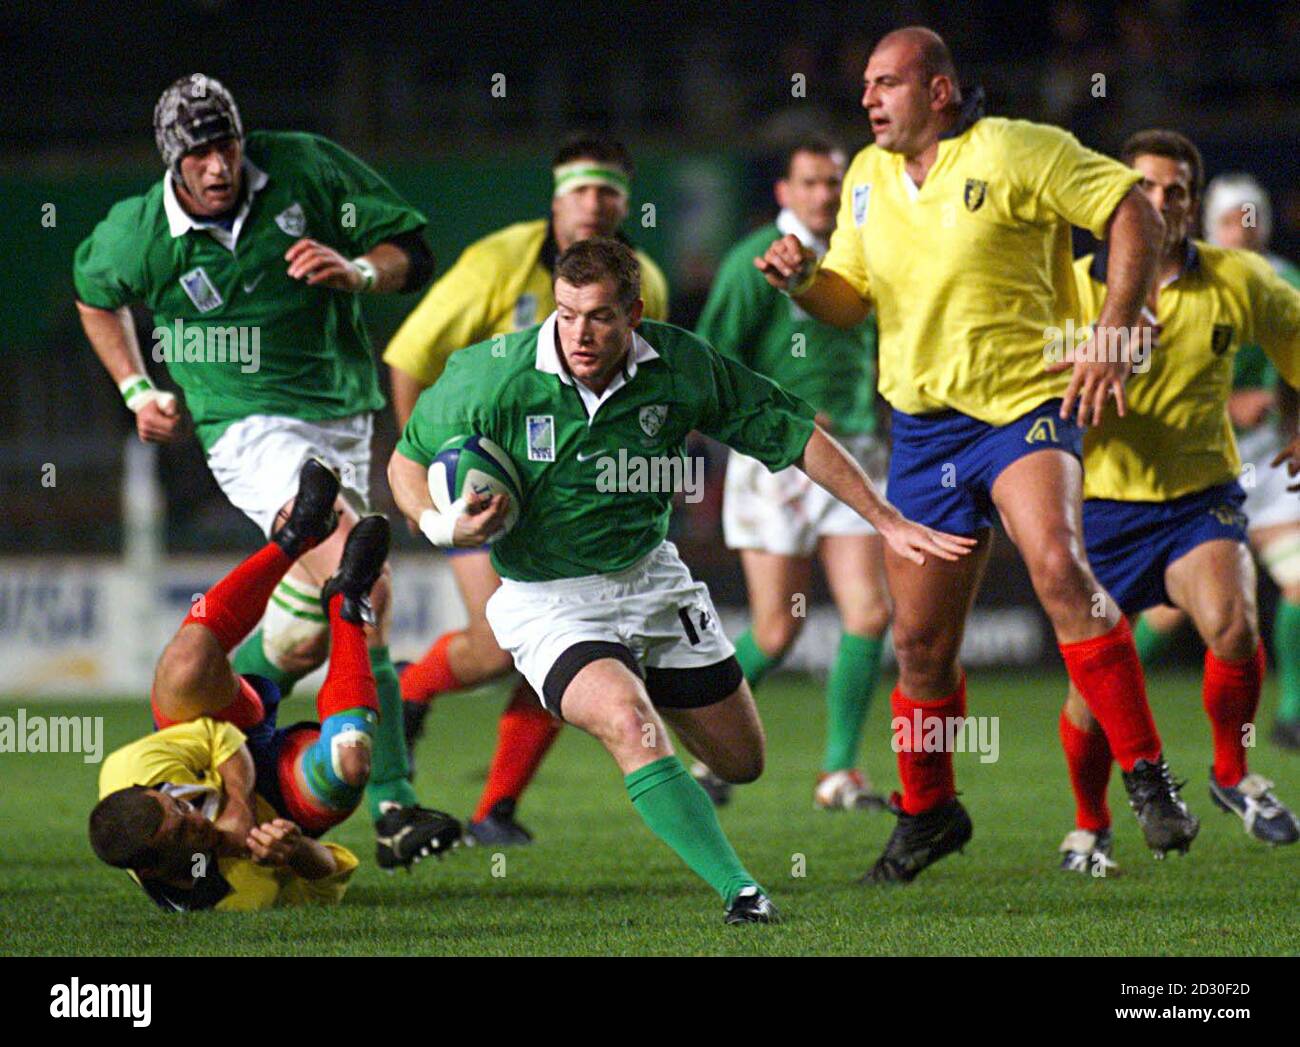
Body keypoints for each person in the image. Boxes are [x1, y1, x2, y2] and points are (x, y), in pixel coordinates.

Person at [387, 238, 973, 921]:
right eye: (568, 313)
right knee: (629, 721)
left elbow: (795, 431)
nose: (580, 332)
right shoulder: (490, 375)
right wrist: (440, 526)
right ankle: (742, 891)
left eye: (601, 316)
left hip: (653, 582)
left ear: (634, 314)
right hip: (550, 601)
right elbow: (408, 462)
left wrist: (884, 517)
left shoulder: (681, 363)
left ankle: (637, 692)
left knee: (742, 760)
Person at [756, 26, 1197, 882]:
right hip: (923, 430)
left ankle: (1146, 773)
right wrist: (805, 281)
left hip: (1023, 407)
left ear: (940, 91)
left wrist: (1111, 329)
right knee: (919, 644)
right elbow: (851, 302)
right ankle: (929, 812)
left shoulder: (1018, 148)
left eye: (887, 82)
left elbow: (1130, 208)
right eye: (866, 85)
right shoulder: (867, 178)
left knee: (1061, 567)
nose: (869, 98)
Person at [73, 75, 453, 868]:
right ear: (171, 160)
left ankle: (222, 707)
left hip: (343, 406)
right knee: (361, 578)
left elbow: (412, 252)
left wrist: (357, 272)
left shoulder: (307, 167)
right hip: (243, 421)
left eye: (227, 144)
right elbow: (93, 295)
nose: (218, 165)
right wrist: (136, 385)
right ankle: (392, 803)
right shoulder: (137, 232)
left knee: (309, 631)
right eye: (199, 152)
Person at [386, 134, 670, 844]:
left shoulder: (647, 285)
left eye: (607, 190)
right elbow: (410, 355)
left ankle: (494, 810)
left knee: (571, 646)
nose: (593, 203)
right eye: (579, 189)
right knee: (497, 648)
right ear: (555, 198)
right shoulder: (497, 261)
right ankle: (406, 693)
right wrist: (437, 471)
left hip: (579, 505)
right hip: (488, 496)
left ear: (626, 202)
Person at [1057, 132, 1300, 873]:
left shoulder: (1238, 277)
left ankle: (1232, 772)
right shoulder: (1067, 285)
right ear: (1115, 199)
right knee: (1090, 699)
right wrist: (1084, 367)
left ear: (1193, 204)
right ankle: (1090, 825)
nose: (1161, 203)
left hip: (1201, 498)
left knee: (1232, 624)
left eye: (1177, 191)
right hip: (1100, 507)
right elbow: (1027, 386)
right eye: (1146, 188)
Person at [90, 461, 457, 909]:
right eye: (184, 834)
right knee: (350, 764)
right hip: (284, 796)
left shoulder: (128, 772)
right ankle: (347, 601)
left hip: (226, 734)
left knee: (184, 663)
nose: (195, 820)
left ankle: (296, 536)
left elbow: (219, 736)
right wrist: (298, 850)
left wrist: (238, 805)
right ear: (154, 870)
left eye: (181, 807)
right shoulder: (237, 896)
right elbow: (331, 882)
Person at [696, 136, 889, 811]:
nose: (825, 195)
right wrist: (789, 413)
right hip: (777, 459)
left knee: (870, 612)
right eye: (810, 182)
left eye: (834, 182)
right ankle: (700, 744)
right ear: (784, 191)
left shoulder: (859, 254)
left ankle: (838, 772)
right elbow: (712, 365)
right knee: (778, 630)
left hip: (858, 452)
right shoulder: (751, 265)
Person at [1131, 173, 1300, 752]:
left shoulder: (1285, 281)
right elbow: (1156, 379)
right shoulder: (1185, 285)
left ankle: (1290, 715)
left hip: (1269, 462)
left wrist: (1288, 415)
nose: (1243, 230)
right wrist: (1231, 403)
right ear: (1212, 225)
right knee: (1170, 608)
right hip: (1203, 462)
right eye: (1232, 220)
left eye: (1252, 219)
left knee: (1299, 582)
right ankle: (1110, 700)